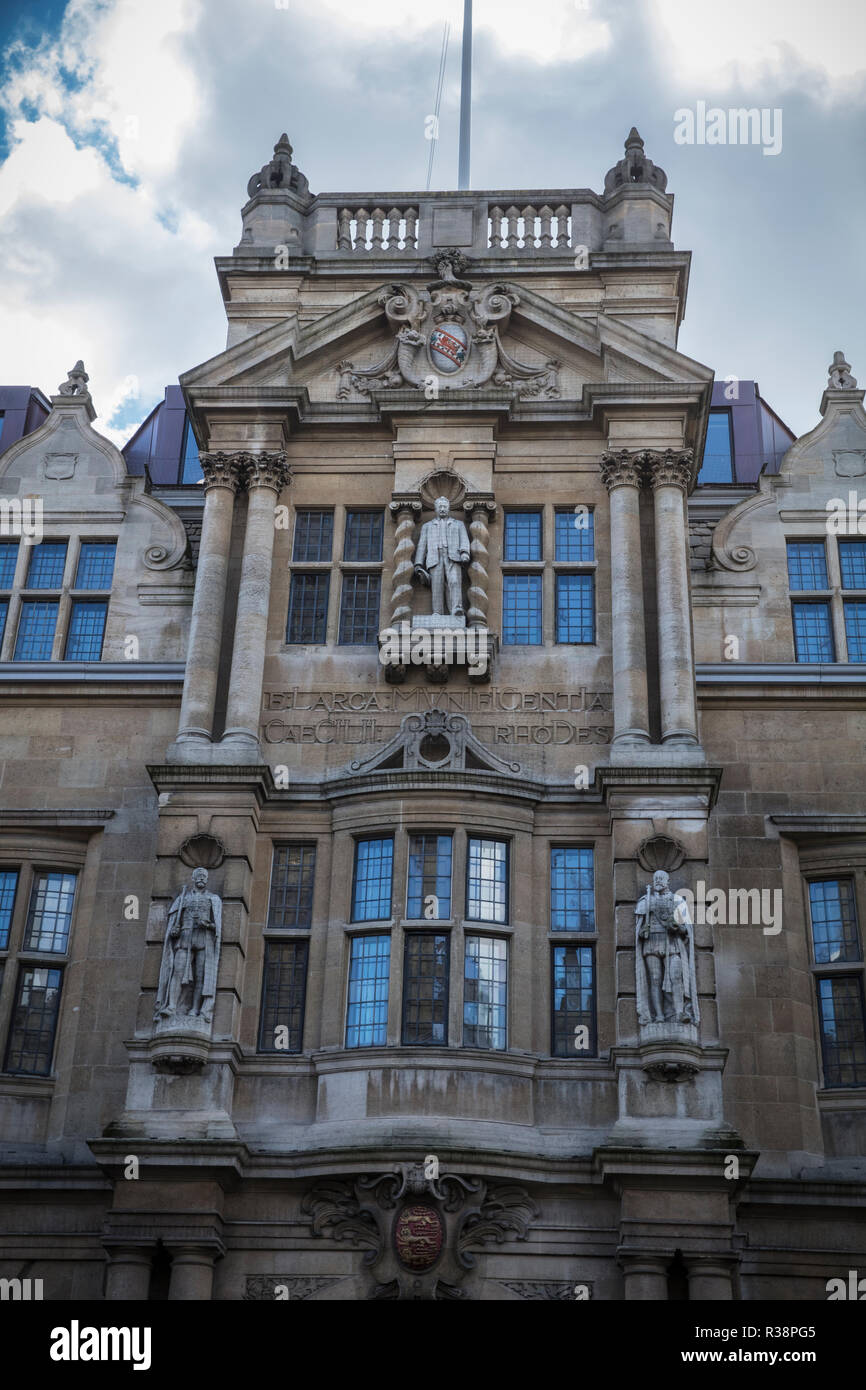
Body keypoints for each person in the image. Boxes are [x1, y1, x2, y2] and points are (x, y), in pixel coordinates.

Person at [413, 496, 471, 618]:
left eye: (445, 507)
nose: (442, 509)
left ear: (449, 508)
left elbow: (464, 539)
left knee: (454, 581)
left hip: (453, 557)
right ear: (435, 509)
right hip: (435, 557)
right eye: (440, 507)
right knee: (437, 585)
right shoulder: (427, 526)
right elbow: (422, 546)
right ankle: (437, 612)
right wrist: (418, 563)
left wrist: (465, 552)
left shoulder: (458, 524)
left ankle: (457, 609)